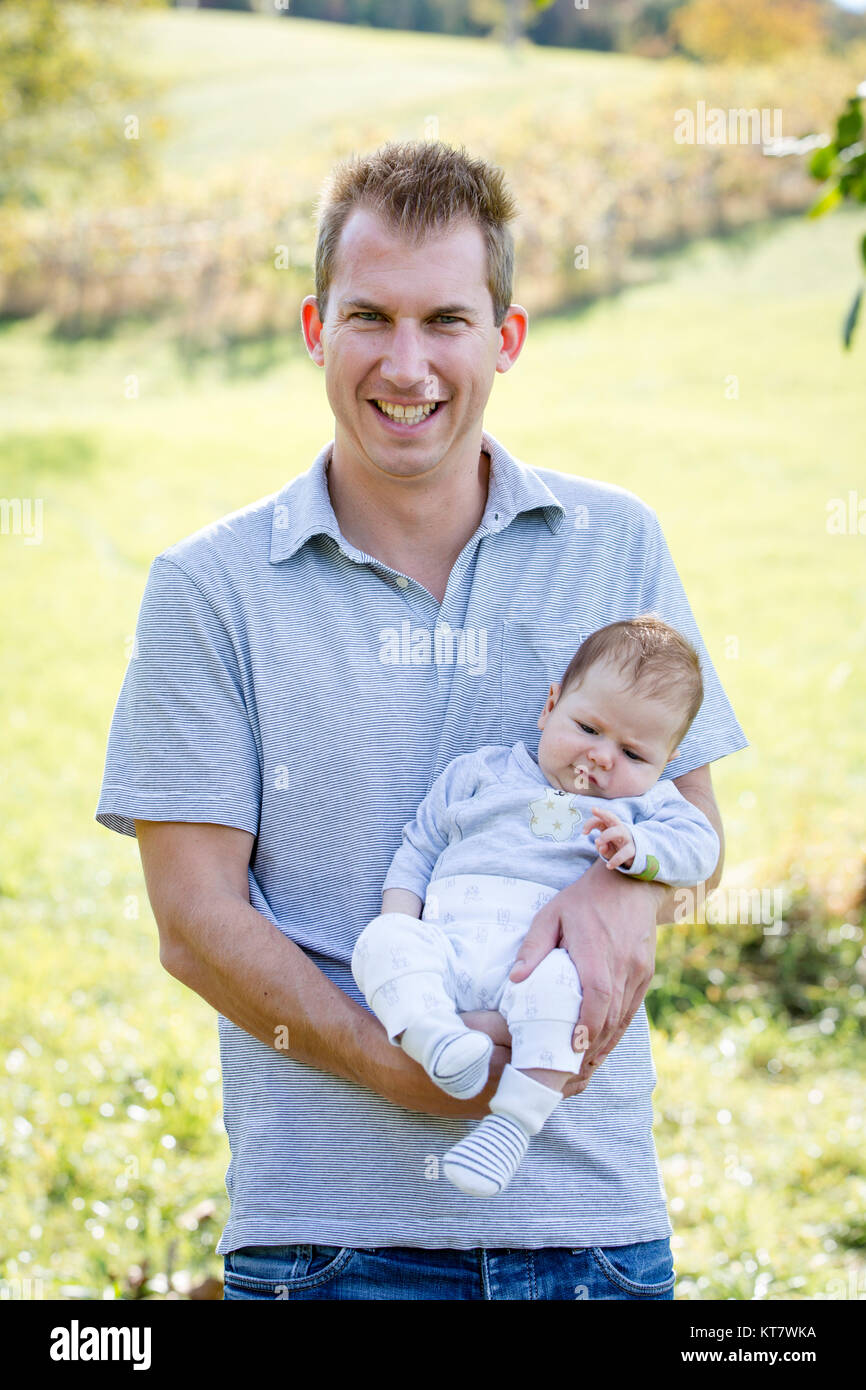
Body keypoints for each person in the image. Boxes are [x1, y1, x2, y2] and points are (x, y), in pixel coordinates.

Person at [95, 140, 747, 1301]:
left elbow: (692, 836)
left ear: (504, 338)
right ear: (312, 327)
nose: (407, 365)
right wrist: (399, 1072)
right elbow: (193, 922)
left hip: (590, 1227)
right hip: (328, 1241)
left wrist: (619, 887)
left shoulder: (615, 544)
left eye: (446, 319)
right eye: (369, 318)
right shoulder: (210, 587)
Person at [352, 615, 721, 1199]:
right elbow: (418, 849)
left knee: (565, 998)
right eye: (588, 727)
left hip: (542, 965)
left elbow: (702, 849)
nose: (601, 757)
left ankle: (512, 1125)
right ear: (551, 705)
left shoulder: (648, 805)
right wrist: (401, 922)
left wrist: (640, 850)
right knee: (380, 944)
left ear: (663, 763)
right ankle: (439, 1039)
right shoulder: (479, 773)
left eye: (632, 752)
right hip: (450, 949)